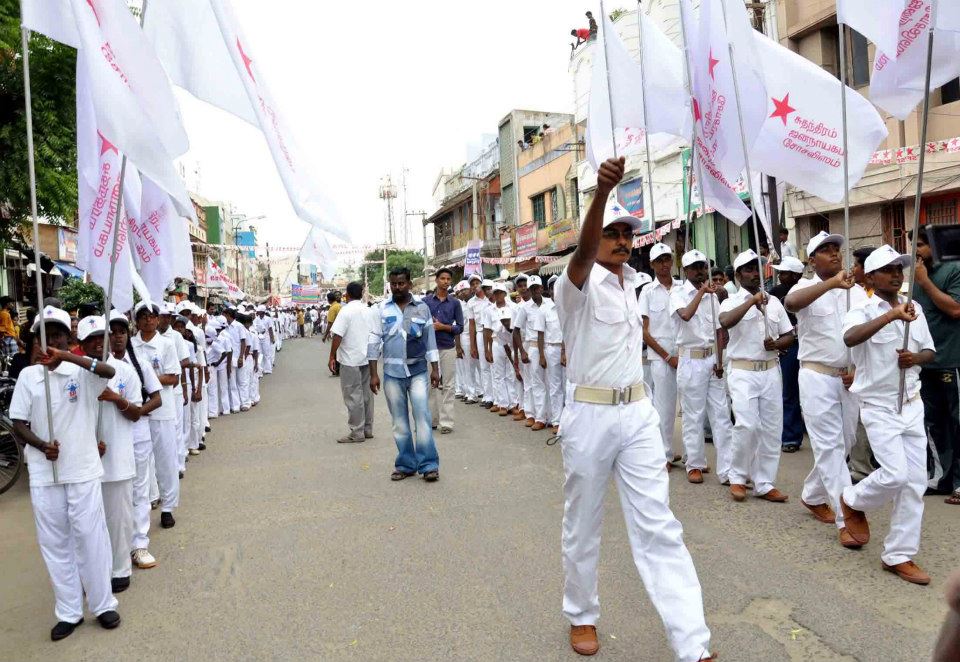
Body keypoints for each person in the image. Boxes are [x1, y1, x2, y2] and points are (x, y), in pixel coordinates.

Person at [554, 158, 714, 661]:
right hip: (590, 415)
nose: (622, 241)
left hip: (639, 412)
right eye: (611, 233)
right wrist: (600, 194)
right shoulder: (574, 285)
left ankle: (693, 644)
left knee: (659, 525)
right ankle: (582, 613)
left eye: (627, 233)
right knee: (584, 522)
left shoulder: (634, 286)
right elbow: (582, 253)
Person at [10, 305, 121, 640]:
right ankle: (69, 611)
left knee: (91, 540)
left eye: (58, 336)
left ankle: (103, 604)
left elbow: (107, 371)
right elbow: (17, 422)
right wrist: (43, 446)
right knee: (55, 543)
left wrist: (70, 357)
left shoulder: (82, 374)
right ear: (35, 343)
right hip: (46, 475)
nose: (51, 343)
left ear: (67, 339)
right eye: (45, 338)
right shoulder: (29, 377)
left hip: (83, 470)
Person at [840, 245, 934, 584]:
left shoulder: (915, 307)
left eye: (900, 268)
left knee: (915, 483)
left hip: (911, 403)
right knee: (894, 475)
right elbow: (850, 338)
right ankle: (851, 499)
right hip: (878, 407)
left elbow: (929, 350)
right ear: (871, 276)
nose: (896, 274)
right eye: (888, 269)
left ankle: (898, 555)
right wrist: (890, 317)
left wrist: (916, 358)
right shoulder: (861, 309)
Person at [785, 231, 867, 543]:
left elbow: (863, 335)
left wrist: (857, 369)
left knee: (844, 444)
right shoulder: (804, 287)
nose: (834, 254)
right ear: (811, 259)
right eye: (825, 250)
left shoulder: (857, 292)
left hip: (848, 379)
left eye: (837, 249)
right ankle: (847, 519)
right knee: (830, 447)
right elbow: (792, 303)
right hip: (816, 376)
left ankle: (812, 494)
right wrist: (831, 284)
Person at [718, 250, 795, 503]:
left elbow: (789, 334)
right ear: (739, 275)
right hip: (742, 371)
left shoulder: (773, 302)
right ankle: (738, 476)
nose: (755, 274)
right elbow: (726, 322)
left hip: (771, 369)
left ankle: (764, 482)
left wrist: (777, 343)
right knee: (747, 424)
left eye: (758, 269)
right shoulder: (731, 300)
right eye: (749, 269)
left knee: (772, 429)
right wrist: (752, 302)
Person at [76, 315, 144, 594]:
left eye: (101, 338)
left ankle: (119, 568)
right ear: (81, 344)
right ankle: (92, 571)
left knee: (118, 519)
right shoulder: (73, 375)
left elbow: (137, 413)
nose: (97, 344)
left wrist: (117, 398)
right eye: (90, 340)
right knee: (86, 524)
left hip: (117, 460)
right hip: (82, 463)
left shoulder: (124, 372)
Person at [368, 267, 442, 482]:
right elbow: (374, 342)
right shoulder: (381, 309)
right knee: (399, 422)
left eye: (401, 283)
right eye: (394, 284)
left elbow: (430, 341)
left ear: (409, 284)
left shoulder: (422, 308)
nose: (397, 287)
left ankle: (429, 465)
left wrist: (435, 368)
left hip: (418, 371)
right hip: (392, 374)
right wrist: (373, 373)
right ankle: (406, 464)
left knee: (422, 418)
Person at [671, 249, 733, 485]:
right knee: (693, 416)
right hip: (690, 359)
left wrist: (719, 360)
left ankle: (727, 470)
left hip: (711, 359)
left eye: (703, 266)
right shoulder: (678, 293)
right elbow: (685, 315)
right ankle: (694, 463)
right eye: (695, 267)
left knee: (721, 416)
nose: (700, 271)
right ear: (686, 271)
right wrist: (701, 293)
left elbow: (719, 331)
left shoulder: (712, 296)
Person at [911, 227, 960, 505]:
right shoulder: (916, 277)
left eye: (920, 245)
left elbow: (955, 309)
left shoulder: (952, 270)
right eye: (913, 246)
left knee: (958, 423)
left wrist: (926, 282)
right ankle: (940, 478)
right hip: (926, 363)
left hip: (953, 360)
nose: (916, 251)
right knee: (932, 424)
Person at [131, 301, 182, 530]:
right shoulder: (131, 345)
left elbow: (173, 378)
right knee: (141, 462)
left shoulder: (166, 344)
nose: (148, 320)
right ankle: (148, 502)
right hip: (137, 410)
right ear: (137, 320)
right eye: (143, 316)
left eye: (152, 316)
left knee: (166, 461)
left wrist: (146, 378)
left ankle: (168, 507)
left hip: (162, 410)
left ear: (158, 319)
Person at [640, 243, 682, 468]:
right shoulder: (647, 292)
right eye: (659, 261)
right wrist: (667, 357)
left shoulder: (682, 287)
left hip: (685, 354)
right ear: (652, 264)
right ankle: (663, 454)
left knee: (692, 408)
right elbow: (645, 332)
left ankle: (693, 457)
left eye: (667, 259)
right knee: (664, 408)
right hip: (661, 358)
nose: (665, 264)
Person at [330, 281, 374, 443]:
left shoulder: (346, 311)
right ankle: (367, 428)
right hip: (367, 358)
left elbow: (337, 335)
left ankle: (357, 431)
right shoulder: (368, 310)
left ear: (346, 294)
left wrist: (331, 356)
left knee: (353, 395)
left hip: (350, 359)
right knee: (366, 394)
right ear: (362, 293)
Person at [769, 256, 806, 453]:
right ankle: (790, 436)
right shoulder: (775, 293)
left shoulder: (807, 290)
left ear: (794, 275)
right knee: (788, 391)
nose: (780, 276)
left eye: (783, 272)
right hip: (788, 346)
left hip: (807, 344)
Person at [424, 268, 463, 434]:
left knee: (448, 385)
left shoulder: (455, 303)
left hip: (447, 347)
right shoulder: (426, 302)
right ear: (436, 280)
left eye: (448, 279)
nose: (446, 282)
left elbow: (460, 327)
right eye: (443, 278)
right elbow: (417, 323)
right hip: (429, 349)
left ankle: (446, 422)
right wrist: (428, 326)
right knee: (430, 385)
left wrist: (443, 327)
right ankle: (432, 420)